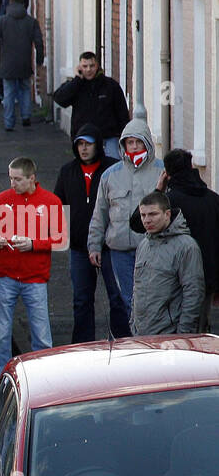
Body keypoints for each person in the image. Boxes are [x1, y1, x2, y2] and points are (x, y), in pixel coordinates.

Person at [0, 157, 60, 383]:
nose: (12, 184)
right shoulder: (1, 200)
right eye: (10, 178)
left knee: (41, 336)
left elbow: (60, 238)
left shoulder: (51, 201)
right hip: (5, 275)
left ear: (32, 178)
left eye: (17, 179)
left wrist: (33, 244)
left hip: (35, 278)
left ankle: (42, 382)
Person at [129, 149, 219, 330]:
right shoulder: (213, 199)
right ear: (192, 166)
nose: (148, 219)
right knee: (200, 329)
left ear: (167, 174)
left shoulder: (169, 201)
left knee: (181, 327)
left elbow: (136, 223)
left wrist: (158, 190)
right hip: (209, 276)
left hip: (173, 280)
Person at [54, 126, 127, 342]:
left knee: (117, 298)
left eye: (88, 144)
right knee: (81, 299)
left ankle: (122, 342)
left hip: (110, 246)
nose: (84, 149)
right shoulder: (67, 171)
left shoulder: (113, 169)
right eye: (80, 144)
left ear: (98, 145)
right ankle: (83, 345)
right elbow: (59, 204)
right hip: (78, 247)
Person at [87, 119, 163, 312]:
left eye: (138, 141)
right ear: (123, 145)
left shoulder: (162, 171)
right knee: (128, 301)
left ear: (147, 142)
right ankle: (136, 341)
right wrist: (94, 245)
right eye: (130, 142)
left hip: (152, 249)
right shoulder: (110, 175)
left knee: (154, 300)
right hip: (120, 251)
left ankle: (151, 341)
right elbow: (100, 212)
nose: (135, 146)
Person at [128, 192, 205, 336]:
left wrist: (183, 334)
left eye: (153, 214)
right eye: (143, 215)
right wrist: (133, 324)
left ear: (167, 214)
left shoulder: (186, 246)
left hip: (170, 338)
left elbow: (194, 293)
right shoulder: (143, 245)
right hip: (141, 336)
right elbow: (136, 290)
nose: (147, 220)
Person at [52, 52, 130, 160]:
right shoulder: (76, 86)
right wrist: (77, 79)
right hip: (84, 140)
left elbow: (122, 113)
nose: (88, 69)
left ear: (97, 65)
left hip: (108, 138)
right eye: (85, 66)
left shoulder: (110, 86)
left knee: (113, 170)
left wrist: (125, 137)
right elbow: (59, 99)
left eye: (92, 66)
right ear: (79, 67)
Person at [0, 0, 42, 132]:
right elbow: (38, 41)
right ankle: (26, 116)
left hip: (7, 62)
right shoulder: (31, 21)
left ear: (9, 4)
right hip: (25, 61)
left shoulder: (2, 20)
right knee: (25, 89)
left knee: (9, 93)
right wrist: (39, 59)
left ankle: (9, 122)